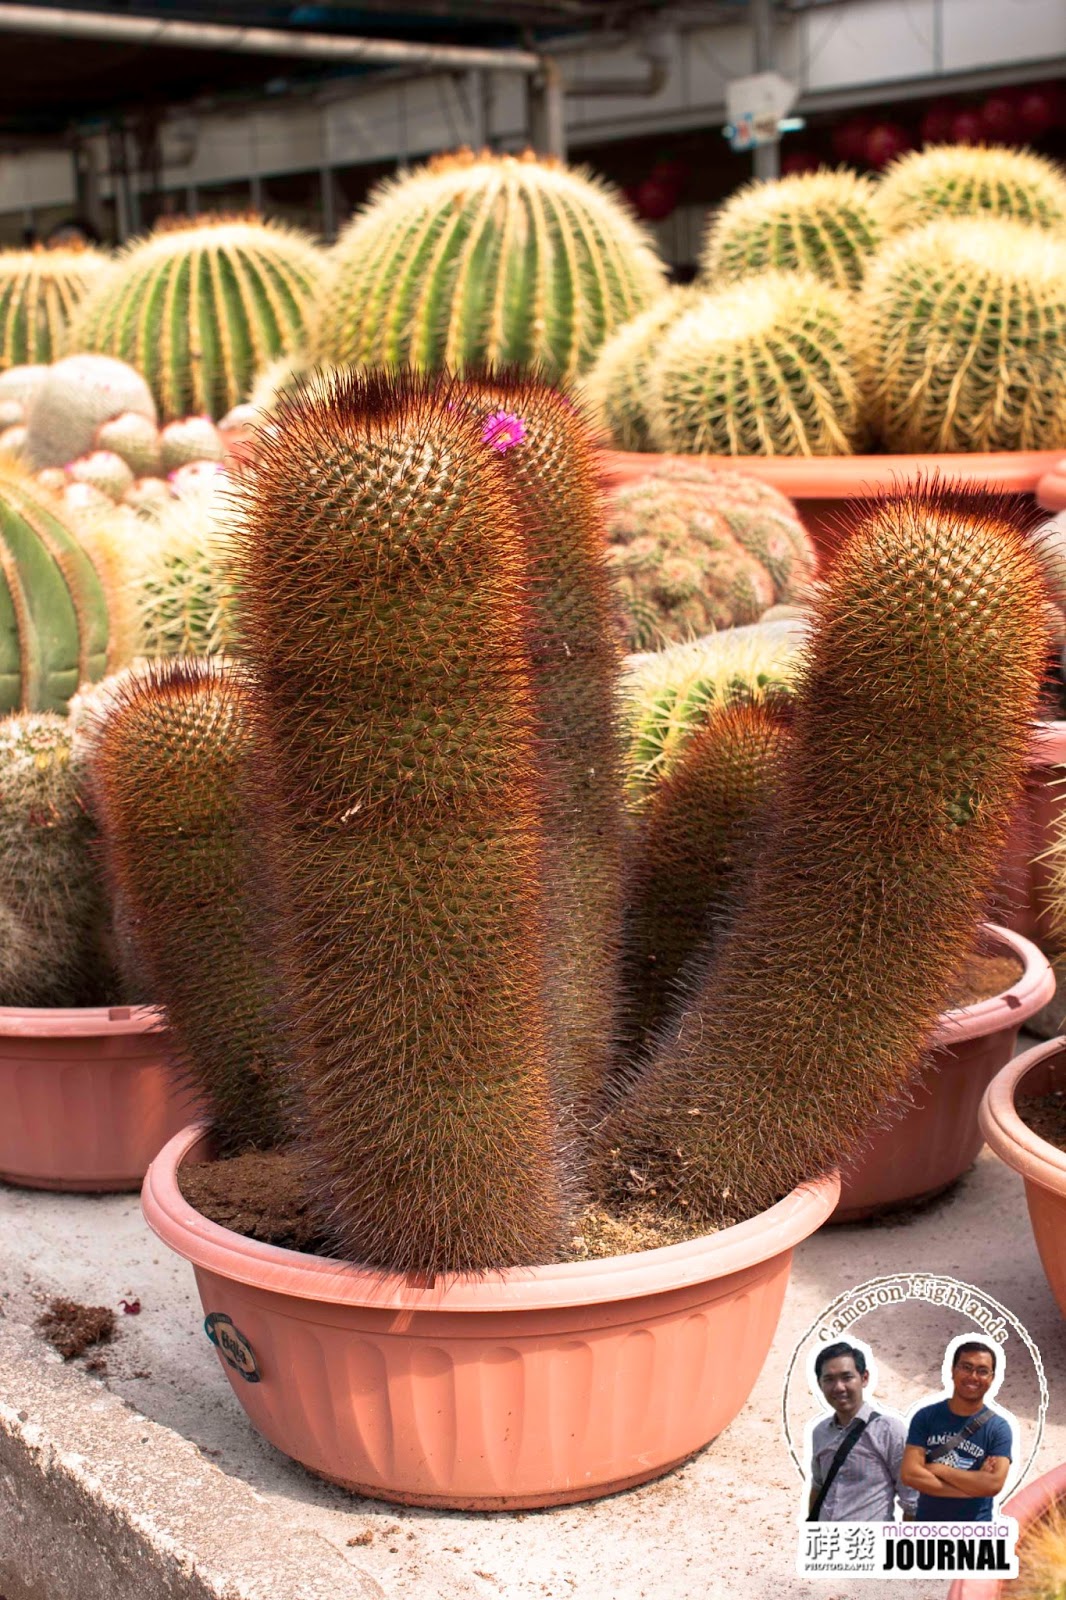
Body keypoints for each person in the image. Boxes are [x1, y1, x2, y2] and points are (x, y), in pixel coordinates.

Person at [901, 1341, 1012, 1522]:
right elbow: (910, 1474)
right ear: (952, 1370)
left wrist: (939, 1469)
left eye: (982, 1371)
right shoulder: (925, 1417)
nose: (973, 1376)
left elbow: (993, 1484)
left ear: (992, 1378)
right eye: (966, 1367)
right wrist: (971, 1489)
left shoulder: (998, 1428)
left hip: (974, 1536)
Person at [808, 1342, 918, 1522]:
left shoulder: (889, 1431)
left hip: (870, 1546)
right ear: (820, 1384)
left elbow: (913, 1502)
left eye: (847, 1377)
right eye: (829, 1379)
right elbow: (818, 1487)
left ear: (864, 1378)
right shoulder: (820, 1432)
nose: (839, 1387)